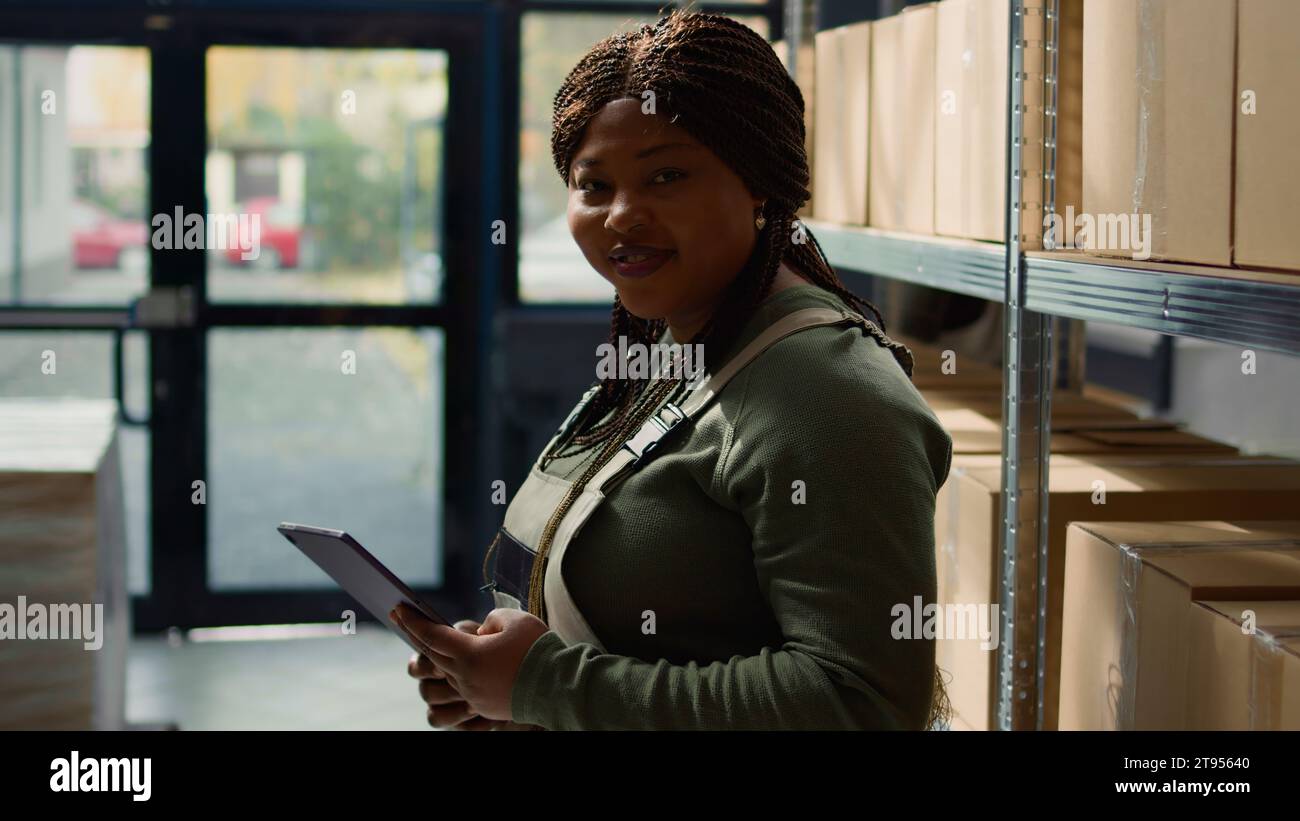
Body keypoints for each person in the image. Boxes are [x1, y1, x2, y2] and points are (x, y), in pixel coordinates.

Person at [390, 10, 953, 731]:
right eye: (594, 186)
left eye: (667, 175)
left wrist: (551, 686)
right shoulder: (678, 351)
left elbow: (861, 702)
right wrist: (502, 687)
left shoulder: (827, 394)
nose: (622, 216)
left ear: (759, 184)